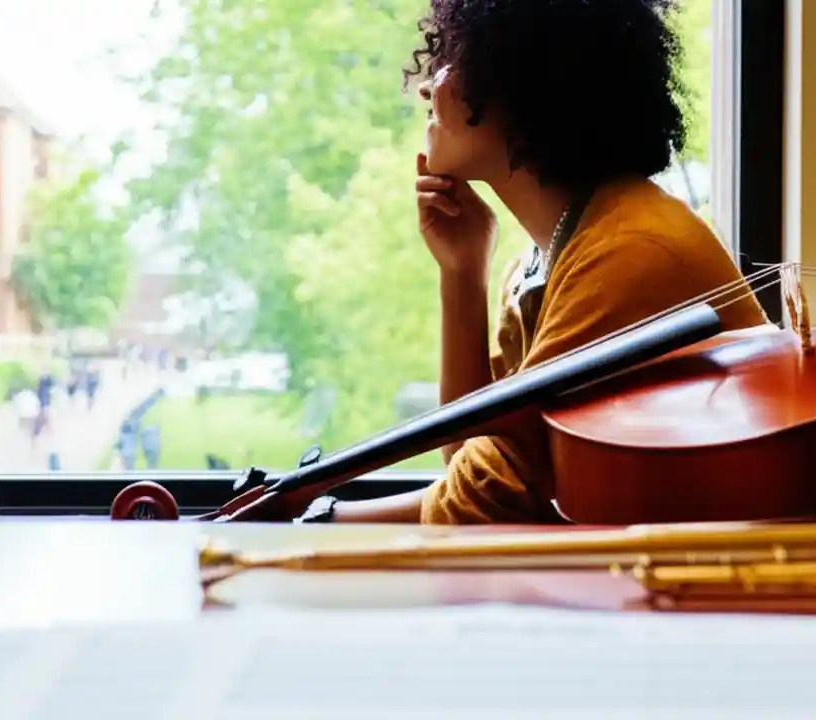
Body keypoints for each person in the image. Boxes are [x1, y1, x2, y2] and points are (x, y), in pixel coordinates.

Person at [281, 0, 767, 525]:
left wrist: (322, 518)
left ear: (519, 81)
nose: (427, 86)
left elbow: (487, 495)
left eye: (452, 59)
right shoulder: (551, 255)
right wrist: (462, 274)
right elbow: (473, 454)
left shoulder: (631, 249)